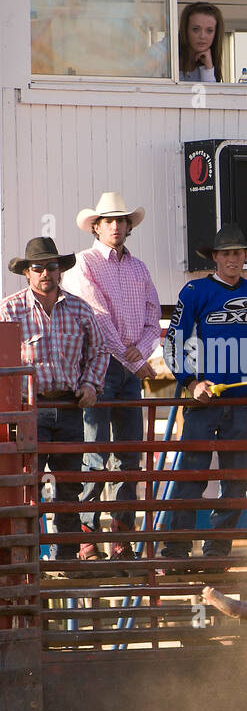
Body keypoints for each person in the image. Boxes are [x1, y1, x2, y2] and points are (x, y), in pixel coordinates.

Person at [62, 192, 161, 571]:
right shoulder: (83, 265)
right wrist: (135, 358)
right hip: (99, 366)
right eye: (109, 221)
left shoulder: (139, 269)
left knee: (130, 456)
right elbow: (98, 317)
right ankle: (88, 537)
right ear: (96, 226)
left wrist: (140, 353)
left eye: (122, 221)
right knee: (95, 453)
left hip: (127, 368)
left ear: (128, 227)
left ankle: (120, 538)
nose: (116, 226)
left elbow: (154, 315)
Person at [0, 238, 109, 578]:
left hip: (68, 404)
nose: (46, 272)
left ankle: (64, 558)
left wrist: (90, 383)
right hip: (28, 410)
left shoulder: (80, 308)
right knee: (26, 485)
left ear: (60, 270)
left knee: (67, 484)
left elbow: (100, 351)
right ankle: (25, 559)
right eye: (39, 267)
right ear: (27, 273)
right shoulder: (9, 309)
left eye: (51, 266)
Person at [159, 224, 247, 568]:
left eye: (238, 252)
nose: (232, 259)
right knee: (192, 475)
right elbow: (173, 341)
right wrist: (190, 383)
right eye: (226, 253)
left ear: (246, 255)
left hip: (240, 403)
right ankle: (176, 549)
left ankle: (217, 552)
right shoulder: (194, 291)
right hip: (203, 402)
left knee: (236, 481)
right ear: (215, 257)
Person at [179, 2, 225, 83]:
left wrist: (208, 69)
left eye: (209, 31)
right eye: (196, 29)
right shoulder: (169, 59)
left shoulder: (209, 62)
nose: (202, 36)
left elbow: (211, 94)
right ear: (185, 30)